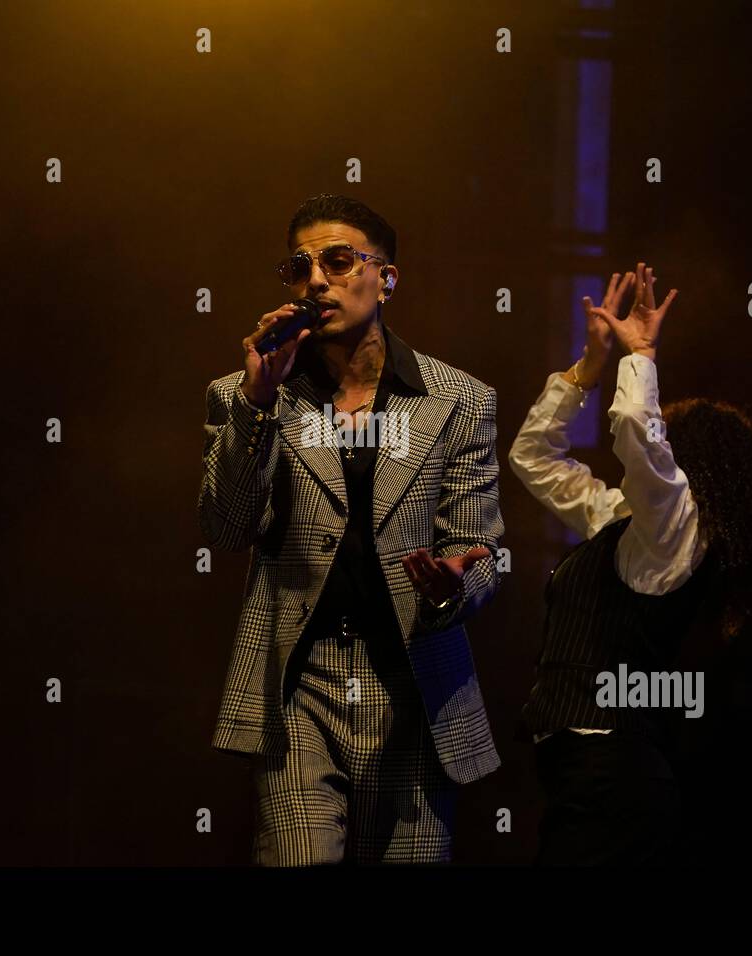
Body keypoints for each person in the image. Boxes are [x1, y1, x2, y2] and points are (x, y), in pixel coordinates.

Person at [198, 194, 505, 865]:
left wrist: (454, 582)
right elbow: (225, 527)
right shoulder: (248, 393)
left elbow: (482, 551)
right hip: (298, 683)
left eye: (338, 261)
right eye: (300, 267)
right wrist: (255, 404)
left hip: (415, 681)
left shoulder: (459, 401)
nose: (316, 280)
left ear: (386, 276)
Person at [508, 262, 752, 864]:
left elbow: (636, 431)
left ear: (690, 461)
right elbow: (533, 456)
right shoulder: (624, 523)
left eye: (673, 438)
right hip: (585, 776)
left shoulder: (677, 528)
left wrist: (638, 353)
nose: (660, 438)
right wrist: (586, 372)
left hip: (615, 779)